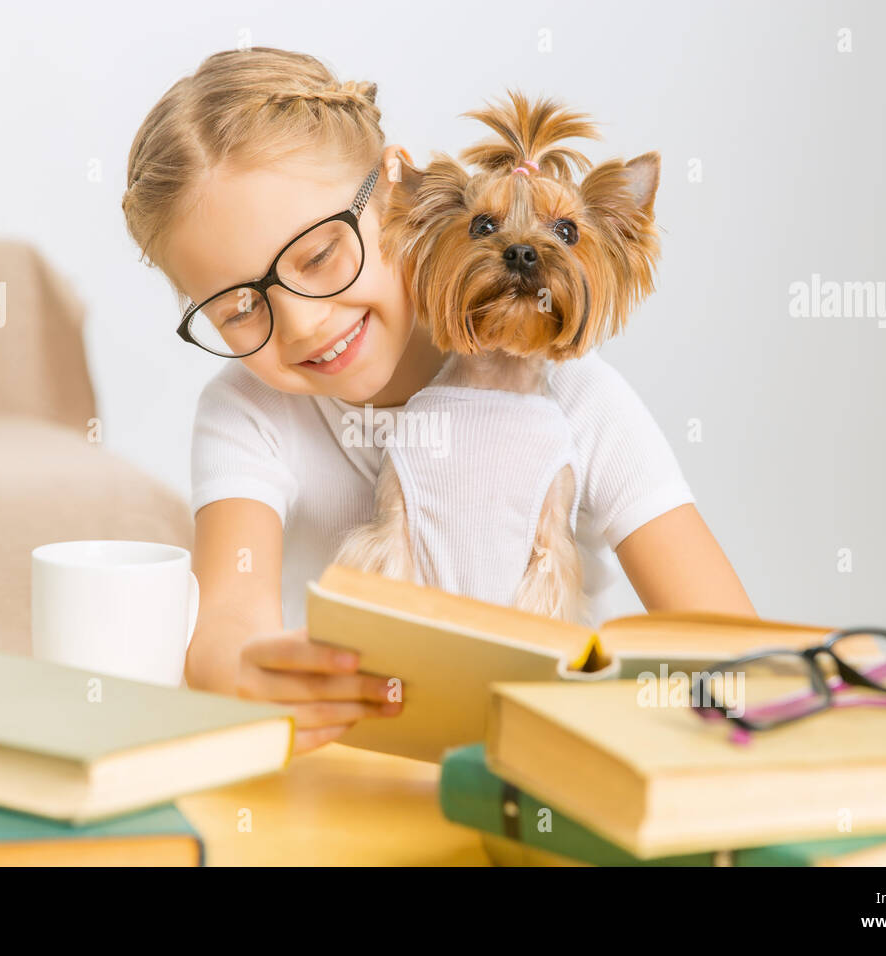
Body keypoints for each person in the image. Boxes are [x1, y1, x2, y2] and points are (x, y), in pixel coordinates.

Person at [122, 47, 755, 753]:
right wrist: (242, 672)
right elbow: (224, 632)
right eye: (240, 308)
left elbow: (729, 644)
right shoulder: (248, 411)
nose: (302, 323)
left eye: (321, 256)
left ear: (399, 193)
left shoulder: (579, 398)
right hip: (350, 776)